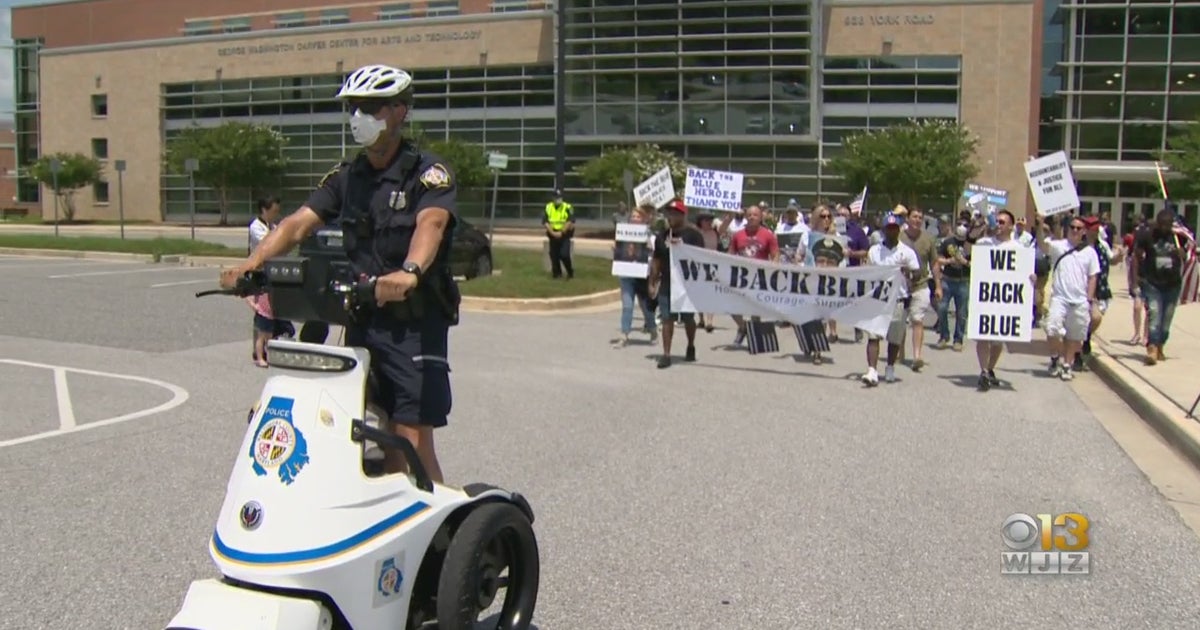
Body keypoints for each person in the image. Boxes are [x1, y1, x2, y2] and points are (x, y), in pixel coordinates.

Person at [218, 63, 459, 483]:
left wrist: (409, 271)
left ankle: (438, 532)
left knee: (411, 435)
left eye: (370, 107)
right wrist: (253, 263)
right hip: (363, 316)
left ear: (400, 111)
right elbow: (297, 224)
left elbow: (431, 224)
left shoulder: (427, 173)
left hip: (414, 321)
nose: (358, 118)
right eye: (352, 108)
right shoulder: (348, 178)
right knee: (356, 423)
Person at [971, 210, 1035, 390]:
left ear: (1011, 226)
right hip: (986, 299)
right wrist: (980, 226)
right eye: (996, 222)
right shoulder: (984, 244)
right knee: (983, 336)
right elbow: (969, 246)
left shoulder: (1019, 249)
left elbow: (1027, 273)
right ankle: (983, 371)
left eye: (1002, 222)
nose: (998, 225)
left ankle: (990, 368)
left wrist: (1032, 279)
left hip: (1005, 302)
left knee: (997, 340)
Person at [861, 212, 920, 386]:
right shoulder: (874, 251)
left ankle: (890, 366)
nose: (892, 231)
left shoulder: (906, 252)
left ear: (899, 229)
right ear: (884, 230)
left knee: (894, 337)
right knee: (874, 335)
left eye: (895, 228)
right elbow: (867, 272)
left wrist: (907, 271)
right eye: (889, 228)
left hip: (898, 299)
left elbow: (917, 273)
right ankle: (872, 370)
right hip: (878, 298)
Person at [1040, 214, 1100, 381]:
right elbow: (1042, 245)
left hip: (1080, 300)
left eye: (1078, 228)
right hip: (1060, 298)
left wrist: (1089, 299)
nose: (1074, 230)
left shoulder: (1090, 253)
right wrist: (1040, 224)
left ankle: (1067, 364)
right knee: (1052, 328)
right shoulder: (1059, 246)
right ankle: (1054, 358)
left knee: (1075, 336)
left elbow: (1093, 277)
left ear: (1084, 232)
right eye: (1072, 227)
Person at [648, 199, 705, 368]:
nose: (671, 216)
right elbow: (657, 259)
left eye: (674, 213)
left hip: (687, 284)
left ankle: (691, 345)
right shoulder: (662, 235)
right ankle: (666, 354)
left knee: (688, 319)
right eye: (669, 213)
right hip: (667, 283)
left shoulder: (693, 235)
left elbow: (701, 258)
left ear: (683, 215)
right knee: (667, 318)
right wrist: (652, 281)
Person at [1131, 208, 1187, 365]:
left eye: (1167, 225)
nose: (1164, 228)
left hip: (1172, 284)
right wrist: (1136, 278)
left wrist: (1183, 254)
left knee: (1167, 318)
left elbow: (1187, 255)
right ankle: (1152, 347)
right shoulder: (1147, 235)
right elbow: (1136, 255)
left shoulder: (1177, 237)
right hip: (1152, 282)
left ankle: (1161, 343)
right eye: (1161, 224)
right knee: (1155, 314)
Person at [615, 205, 658, 348]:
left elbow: (654, 257)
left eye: (638, 216)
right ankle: (624, 335)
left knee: (646, 307)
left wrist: (649, 248)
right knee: (627, 306)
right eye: (633, 216)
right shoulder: (623, 232)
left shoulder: (650, 235)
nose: (635, 218)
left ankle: (652, 330)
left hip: (642, 276)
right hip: (626, 275)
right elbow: (620, 251)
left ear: (644, 219)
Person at [543, 188, 575, 279]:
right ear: (553, 198)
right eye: (556, 197)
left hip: (564, 235)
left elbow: (570, 221)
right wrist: (552, 233)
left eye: (560, 197)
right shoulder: (548, 207)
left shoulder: (568, 207)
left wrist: (561, 232)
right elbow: (545, 222)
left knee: (564, 254)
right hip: (553, 235)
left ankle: (570, 272)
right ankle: (557, 274)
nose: (558, 199)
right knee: (554, 255)